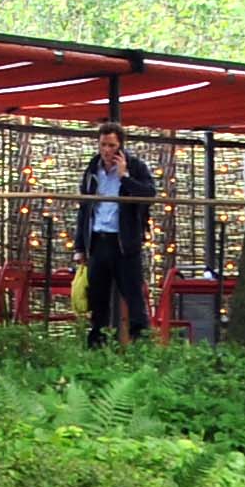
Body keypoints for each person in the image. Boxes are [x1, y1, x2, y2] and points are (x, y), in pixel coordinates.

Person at [75, 124, 156, 344]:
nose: (107, 150)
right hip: (99, 241)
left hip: (125, 244)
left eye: (111, 145)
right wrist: (80, 246)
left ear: (120, 145)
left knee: (134, 298)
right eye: (103, 145)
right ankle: (97, 347)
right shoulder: (93, 169)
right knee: (98, 299)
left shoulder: (136, 166)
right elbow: (85, 209)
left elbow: (149, 194)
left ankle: (141, 345)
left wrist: (125, 177)